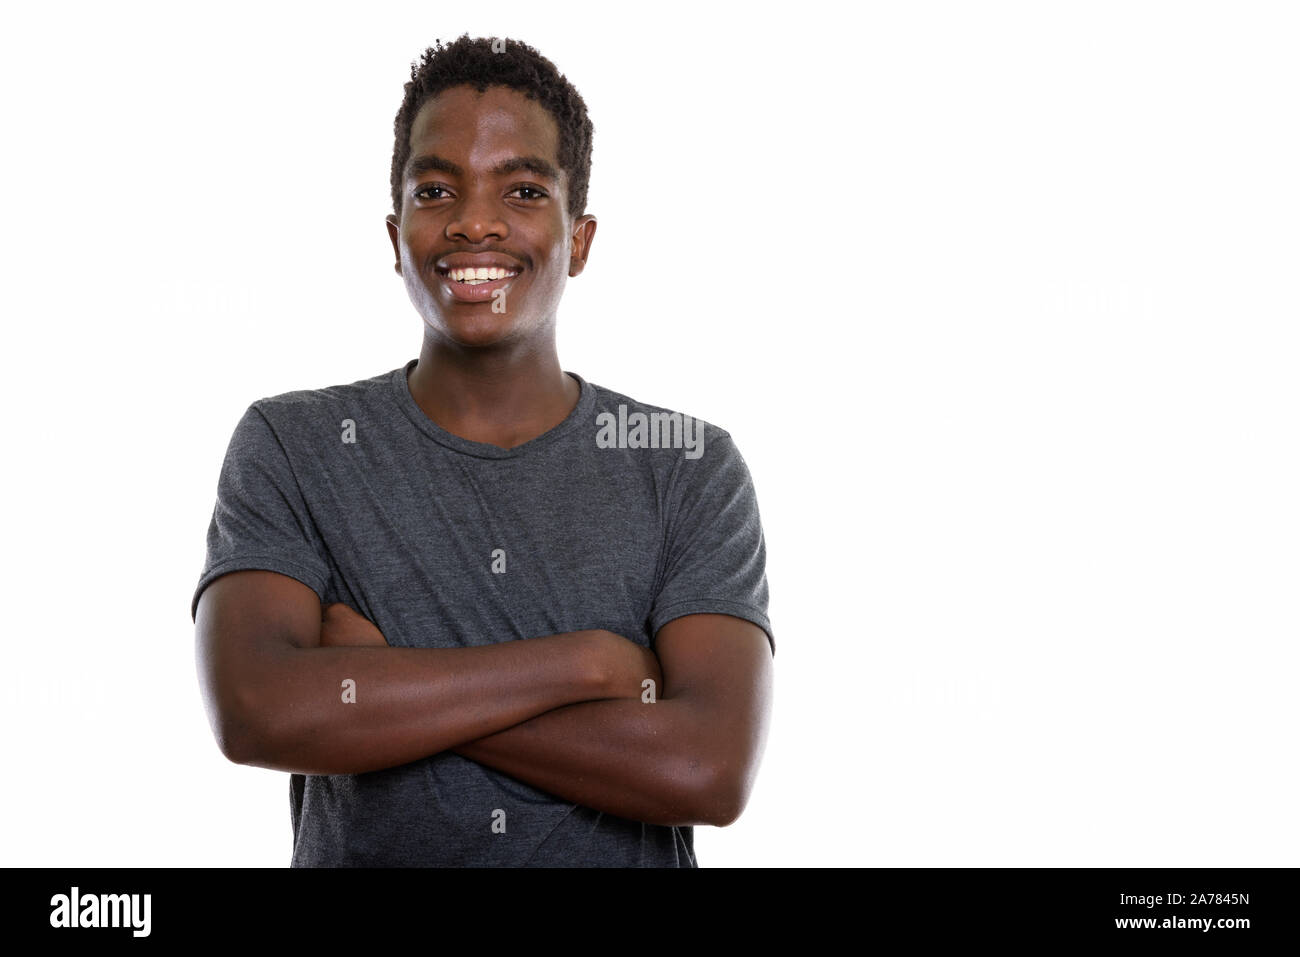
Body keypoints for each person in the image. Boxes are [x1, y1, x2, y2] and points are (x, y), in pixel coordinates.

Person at [191, 34, 774, 867]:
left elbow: (707, 766)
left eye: (524, 189)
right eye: (437, 189)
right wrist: (584, 664)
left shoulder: (685, 464)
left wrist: (387, 679)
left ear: (580, 239)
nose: (473, 221)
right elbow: (257, 709)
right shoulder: (295, 446)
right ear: (396, 234)